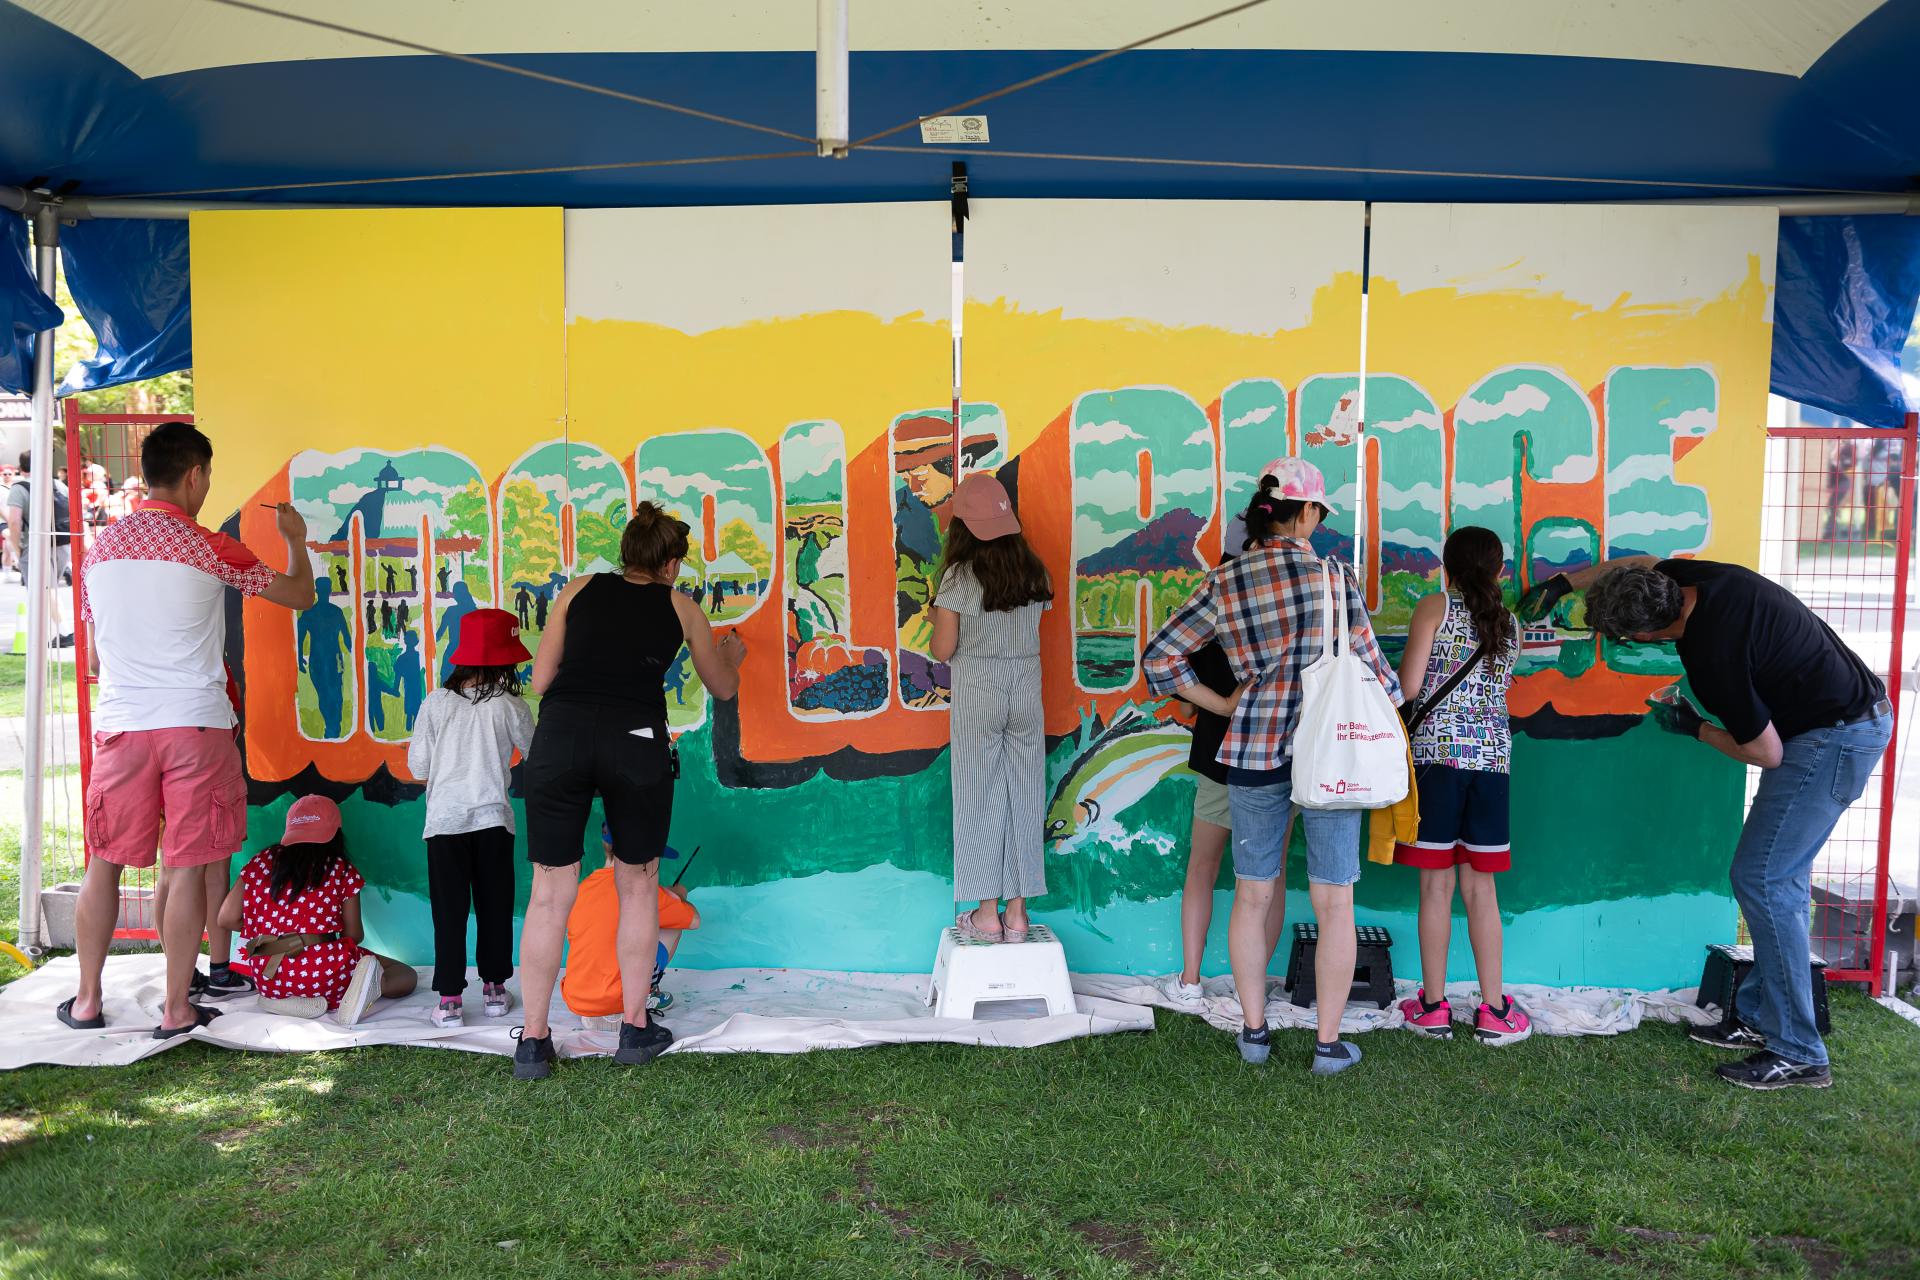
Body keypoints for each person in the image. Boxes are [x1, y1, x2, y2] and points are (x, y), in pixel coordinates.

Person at [1526, 555, 1892, 1089]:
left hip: (1830, 739)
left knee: (1765, 880)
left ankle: (1799, 1053)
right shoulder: (1696, 578)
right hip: (1839, 721)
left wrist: (1694, 727)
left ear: (1650, 634)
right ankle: (1761, 1019)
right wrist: (1562, 584)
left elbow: (1765, 753)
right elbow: (1635, 561)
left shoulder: (1712, 653)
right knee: (1776, 881)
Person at [57, 422, 316, 1037]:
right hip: (196, 725)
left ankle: (88, 1000)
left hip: (123, 726)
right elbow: (300, 595)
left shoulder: (99, 553)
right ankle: (177, 1008)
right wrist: (295, 540)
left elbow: (93, 659)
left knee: (105, 864)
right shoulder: (209, 546)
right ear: (195, 475)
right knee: (193, 864)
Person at [1144, 458, 1401, 1075]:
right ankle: (1327, 1044)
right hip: (1331, 754)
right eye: (1319, 512)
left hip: (1253, 749)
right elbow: (1377, 676)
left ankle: (1255, 1033)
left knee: (1254, 893)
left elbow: (1161, 661)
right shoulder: (1335, 579)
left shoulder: (1225, 581)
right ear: (1307, 512)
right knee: (1335, 900)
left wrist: (1227, 702)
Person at [512, 503, 746, 1079]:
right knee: (638, 888)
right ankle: (635, 1027)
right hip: (634, 740)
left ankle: (534, 1042)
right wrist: (731, 658)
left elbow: (541, 681)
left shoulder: (580, 588)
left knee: (548, 894)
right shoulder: (681, 607)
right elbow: (720, 686)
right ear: (670, 563)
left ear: (625, 553)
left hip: (561, 736)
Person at [1392, 527, 1531, 1046]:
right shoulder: (1510, 624)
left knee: (1436, 886)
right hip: (1493, 764)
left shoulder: (1435, 608)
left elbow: (1408, 689)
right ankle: (1494, 1011)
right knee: (1481, 888)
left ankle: (1432, 1008)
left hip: (1437, 763)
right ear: (1499, 570)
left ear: (1445, 565)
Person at [1152, 514, 1285, 1005]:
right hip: (1274, 758)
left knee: (1202, 869)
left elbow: (1185, 701)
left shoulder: (1212, 601)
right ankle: (1258, 986)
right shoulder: (1287, 602)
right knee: (1270, 878)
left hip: (1218, 757)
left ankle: (1189, 980)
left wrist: (1224, 705)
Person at [928, 472, 1053, 943]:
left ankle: (986, 913)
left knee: (980, 797)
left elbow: (944, 649)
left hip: (979, 691)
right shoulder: (1034, 570)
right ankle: (1018, 914)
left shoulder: (959, 577)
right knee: (1024, 793)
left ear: (962, 525)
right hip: (1025, 688)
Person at [406, 608, 534, 1029]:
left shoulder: (435, 703)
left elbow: (417, 768)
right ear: (504, 659)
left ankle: (449, 1001)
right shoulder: (510, 705)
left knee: (449, 911)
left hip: (444, 824)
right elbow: (536, 752)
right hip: (494, 820)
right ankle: (495, 990)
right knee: (495, 906)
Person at [216, 795, 417, 1023]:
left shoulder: (260, 861)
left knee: (282, 978)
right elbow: (353, 936)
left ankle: (279, 999)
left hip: (268, 974)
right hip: (326, 972)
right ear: (336, 833)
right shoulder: (340, 868)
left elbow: (226, 919)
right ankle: (365, 990)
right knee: (405, 975)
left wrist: (265, 930)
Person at [561, 825, 702, 1021]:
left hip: (576, 1000)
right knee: (673, 924)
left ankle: (598, 1009)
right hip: (624, 1000)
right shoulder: (646, 894)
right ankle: (645, 994)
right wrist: (677, 895)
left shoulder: (581, 889)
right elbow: (694, 920)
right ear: (644, 857)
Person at [6, 449, 74, 590]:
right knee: (50, 591)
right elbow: (73, 512)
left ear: (22, 468)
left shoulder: (18, 489)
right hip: (61, 545)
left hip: (33, 546)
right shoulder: (58, 484)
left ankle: (54, 613)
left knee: (39, 594)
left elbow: (14, 522)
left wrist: (18, 549)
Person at [298, 579, 352, 739]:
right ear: (328, 591)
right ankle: (332, 726)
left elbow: (300, 638)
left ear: (317, 591)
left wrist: (300, 657)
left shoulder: (311, 613)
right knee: (331, 693)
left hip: (323, 660)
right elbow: (347, 638)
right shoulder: (334, 612)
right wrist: (299, 657)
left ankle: (333, 726)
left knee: (328, 693)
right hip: (327, 660)